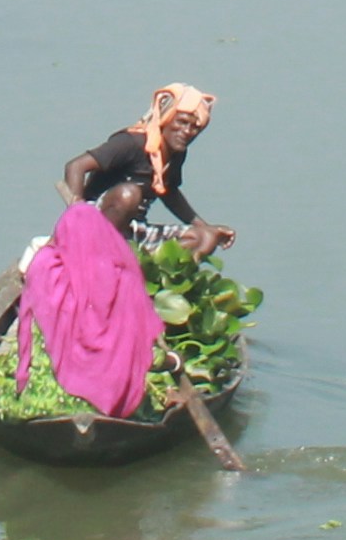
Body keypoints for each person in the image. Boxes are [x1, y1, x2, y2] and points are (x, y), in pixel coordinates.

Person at [12, 180, 167, 420]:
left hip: (45, 395)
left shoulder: (43, 265)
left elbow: (28, 327)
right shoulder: (123, 277)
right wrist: (173, 362)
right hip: (111, 400)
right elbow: (144, 347)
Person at [63, 82, 227, 257]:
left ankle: (146, 270)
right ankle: (98, 253)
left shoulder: (176, 153)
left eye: (195, 128)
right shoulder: (132, 143)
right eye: (182, 122)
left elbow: (168, 191)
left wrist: (205, 227)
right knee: (129, 194)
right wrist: (77, 214)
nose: (187, 131)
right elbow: (76, 166)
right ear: (166, 117)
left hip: (134, 229)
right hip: (96, 221)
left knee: (204, 238)